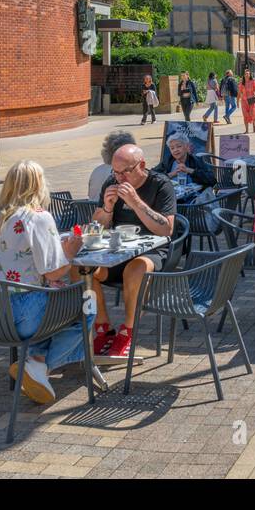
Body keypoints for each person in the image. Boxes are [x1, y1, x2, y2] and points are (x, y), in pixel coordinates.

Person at [0, 160, 91, 405]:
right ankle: (39, 365)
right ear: (39, 186)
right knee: (87, 306)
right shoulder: (38, 217)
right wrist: (69, 253)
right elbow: (53, 274)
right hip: (22, 314)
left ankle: (35, 361)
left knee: (51, 298)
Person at [89, 144, 179, 363]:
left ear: (141, 166)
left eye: (125, 172)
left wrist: (136, 202)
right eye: (115, 172)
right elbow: (96, 226)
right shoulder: (112, 183)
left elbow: (166, 229)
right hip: (119, 251)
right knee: (82, 268)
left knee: (135, 268)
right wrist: (108, 208)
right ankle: (103, 327)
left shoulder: (160, 184)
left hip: (153, 251)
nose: (119, 177)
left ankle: (127, 331)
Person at [89, 129, 136, 202]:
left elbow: (90, 195)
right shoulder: (123, 174)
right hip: (107, 210)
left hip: (87, 211)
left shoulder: (96, 170)